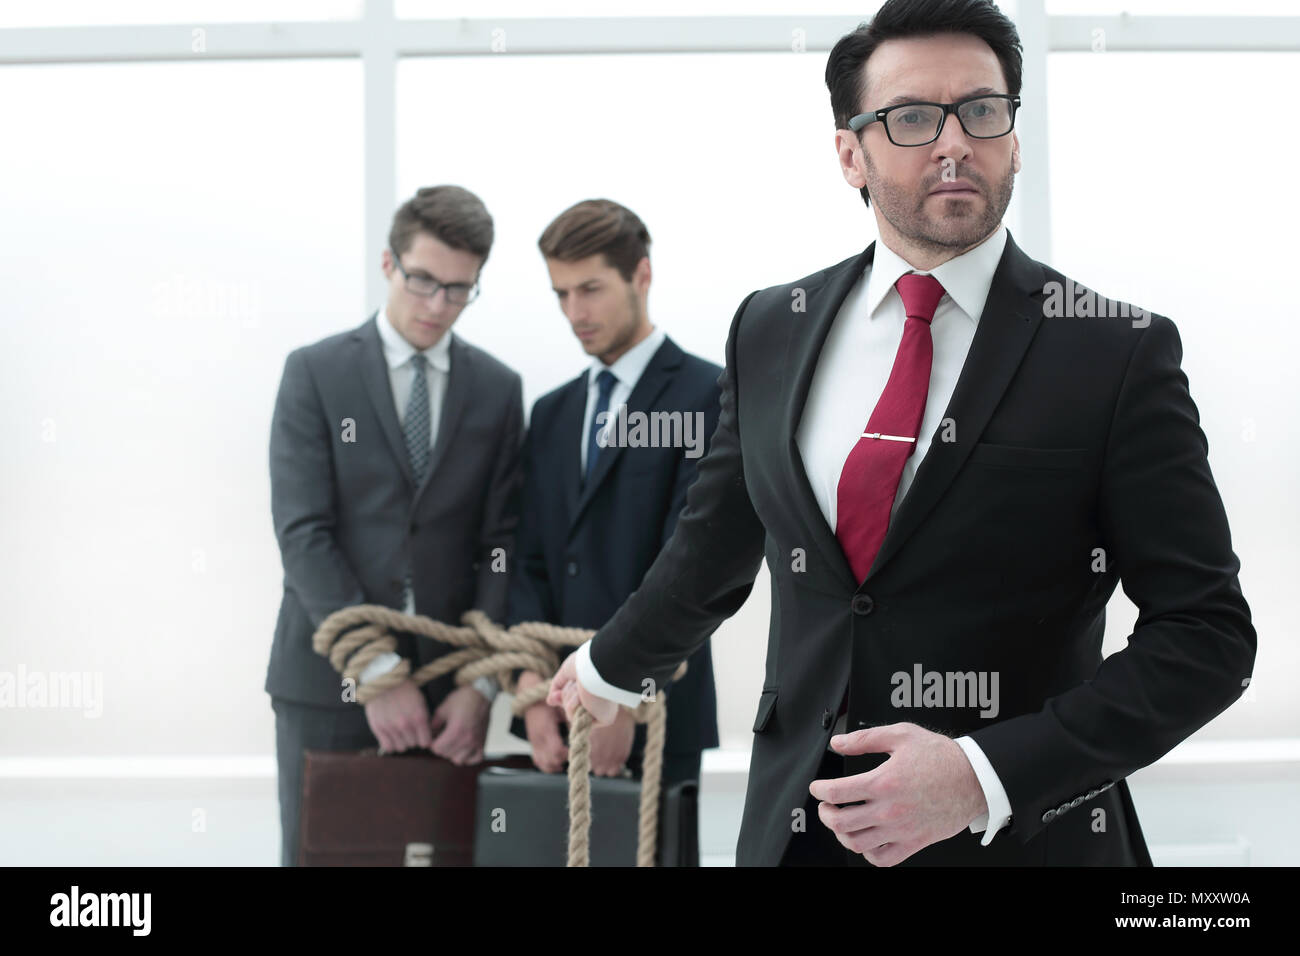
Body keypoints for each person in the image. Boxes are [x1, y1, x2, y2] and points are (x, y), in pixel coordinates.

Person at [550, 0, 1256, 867]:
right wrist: (604, 667)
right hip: (797, 832)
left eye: (983, 111)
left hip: (1020, 841)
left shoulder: (1115, 350)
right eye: (913, 118)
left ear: (1014, 138)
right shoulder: (772, 327)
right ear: (850, 153)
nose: (954, 143)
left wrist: (980, 776)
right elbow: (716, 544)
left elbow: (1208, 636)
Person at [266, 185, 524, 867]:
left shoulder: (497, 389)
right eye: (423, 281)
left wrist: (481, 684)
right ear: (388, 265)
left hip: (449, 696)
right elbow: (303, 534)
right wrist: (376, 670)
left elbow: (502, 544)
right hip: (326, 683)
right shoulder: (313, 373)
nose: (438, 305)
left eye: (460, 290)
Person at [509, 200, 721, 863]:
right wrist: (530, 696)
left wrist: (620, 693)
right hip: (553, 718)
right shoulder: (552, 413)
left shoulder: (709, 395)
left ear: (642, 275)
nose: (576, 312)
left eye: (591, 288)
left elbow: (692, 564)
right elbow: (529, 559)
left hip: (655, 715)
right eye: (561, 293)